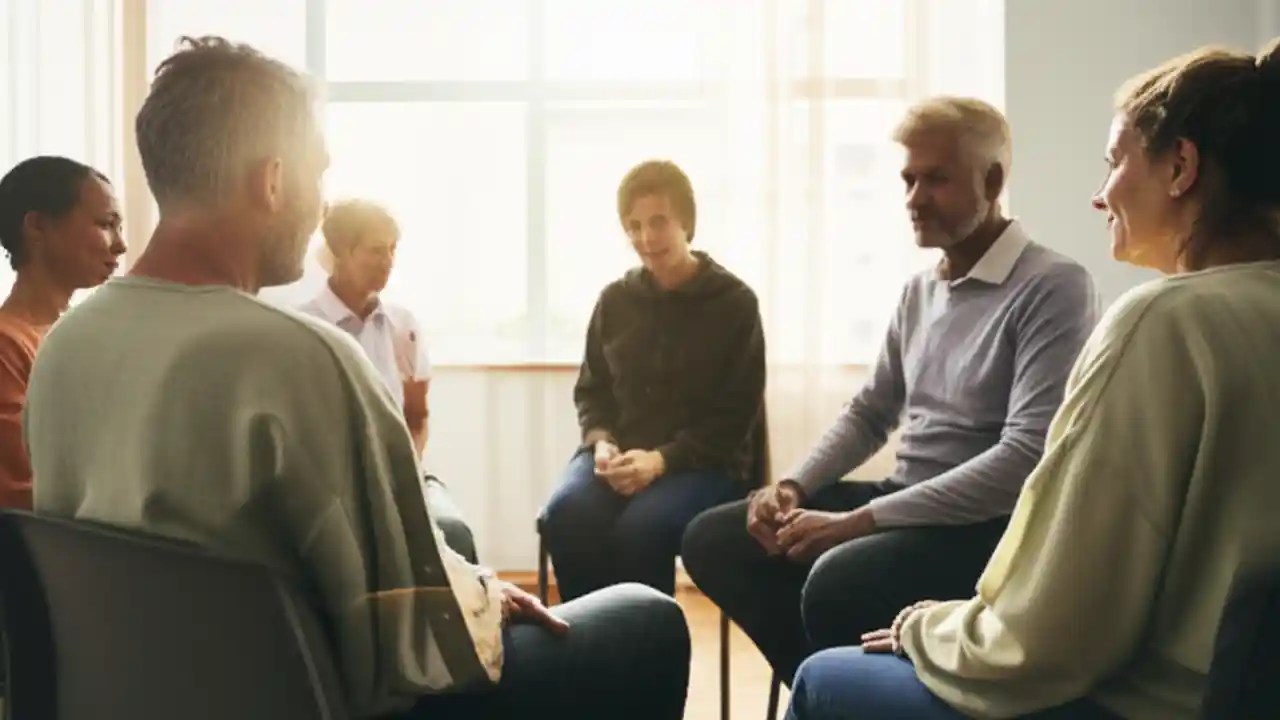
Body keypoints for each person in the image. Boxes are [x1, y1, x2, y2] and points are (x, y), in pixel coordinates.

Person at [25, 37, 689, 720]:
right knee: (646, 619)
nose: (321, 204)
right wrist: (483, 597)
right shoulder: (300, 361)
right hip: (308, 699)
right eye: (318, 173)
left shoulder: (65, 347)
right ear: (272, 181)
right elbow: (407, 618)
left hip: (141, 694)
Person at [787, 38, 1280, 720]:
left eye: (1113, 163)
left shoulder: (1159, 320)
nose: (1099, 196)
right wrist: (794, 486)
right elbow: (872, 407)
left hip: (1152, 700)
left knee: (822, 678)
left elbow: (1056, 634)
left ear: (1181, 167)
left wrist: (927, 627)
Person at [682, 97, 1100, 683]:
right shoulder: (918, 291)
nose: (914, 199)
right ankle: (822, 686)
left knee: (836, 581)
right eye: (908, 180)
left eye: (936, 179)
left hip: (985, 527)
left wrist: (858, 523)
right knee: (713, 538)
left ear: (993, 181)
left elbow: (1024, 458)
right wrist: (793, 486)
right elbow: (870, 412)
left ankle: (835, 686)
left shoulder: (1055, 287)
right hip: (904, 498)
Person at [541, 159, 766, 600]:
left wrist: (660, 461)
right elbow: (592, 391)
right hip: (620, 455)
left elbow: (735, 417)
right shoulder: (614, 300)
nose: (646, 238)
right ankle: (589, 638)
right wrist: (601, 443)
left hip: (705, 464)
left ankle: (645, 643)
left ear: (687, 222)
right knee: (566, 515)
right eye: (634, 226)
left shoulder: (735, 303)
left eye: (658, 222)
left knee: (641, 530)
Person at [298, 198, 476, 563]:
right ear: (340, 252)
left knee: (454, 532)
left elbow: (417, 417)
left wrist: (405, 476)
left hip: (401, 477)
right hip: (330, 487)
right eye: (376, 250)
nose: (388, 261)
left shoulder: (402, 326)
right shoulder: (304, 328)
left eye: (393, 249)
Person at [0, 156, 125, 510]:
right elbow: (22, 488)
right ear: (37, 226)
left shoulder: (88, 338)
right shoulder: (7, 345)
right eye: (106, 224)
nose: (120, 245)